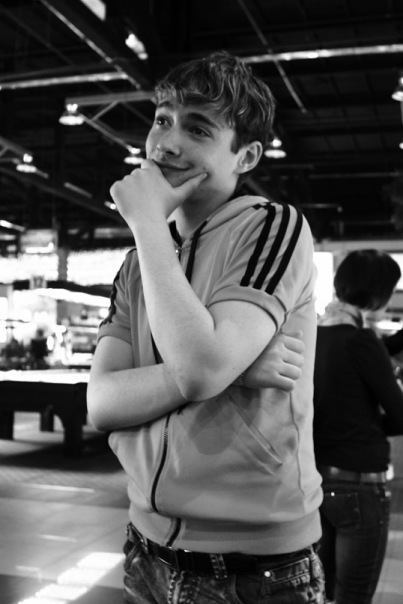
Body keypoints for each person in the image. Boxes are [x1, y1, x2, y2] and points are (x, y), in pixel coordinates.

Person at [87, 51, 324, 603]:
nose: (166, 143)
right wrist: (230, 368)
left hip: (257, 569)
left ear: (247, 155)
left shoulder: (272, 227)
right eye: (162, 120)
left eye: (197, 129)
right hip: (145, 552)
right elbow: (101, 403)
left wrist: (146, 220)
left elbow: (200, 370)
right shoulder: (138, 263)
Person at [313, 249, 403, 604]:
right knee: (353, 596)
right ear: (379, 294)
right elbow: (400, 416)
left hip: (318, 482)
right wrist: (368, 422)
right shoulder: (361, 340)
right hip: (361, 486)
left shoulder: (316, 334)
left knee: (321, 591)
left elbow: (370, 353)